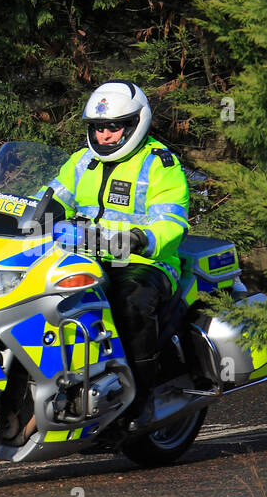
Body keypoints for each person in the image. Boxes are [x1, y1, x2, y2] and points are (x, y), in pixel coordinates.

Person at [46, 80, 191, 428]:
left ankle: (136, 404)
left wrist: (142, 238)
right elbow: (50, 197)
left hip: (143, 263)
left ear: (136, 123)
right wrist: (29, 215)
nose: (105, 136)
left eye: (114, 127)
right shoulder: (81, 161)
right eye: (97, 128)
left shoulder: (160, 164)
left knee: (129, 306)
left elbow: (172, 221)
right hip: (83, 256)